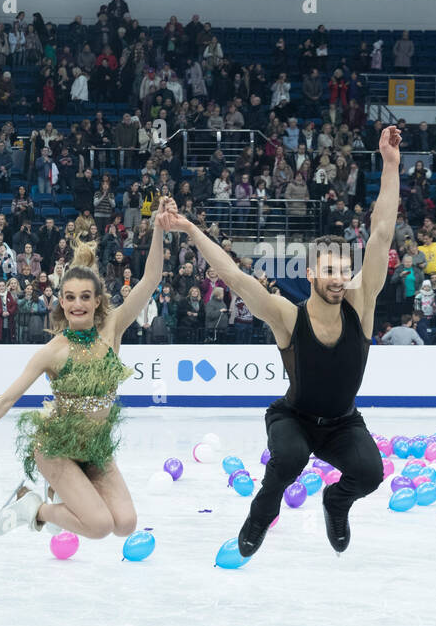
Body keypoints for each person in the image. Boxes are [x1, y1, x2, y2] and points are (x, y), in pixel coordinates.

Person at [163, 125, 401, 557]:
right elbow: (234, 276)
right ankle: (259, 517)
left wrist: (390, 164)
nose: (337, 279)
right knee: (288, 460)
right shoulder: (286, 315)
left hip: (344, 423)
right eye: (328, 271)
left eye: (343, 271)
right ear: (311, 274)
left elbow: (382, 231)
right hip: (293, 418)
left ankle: (336, 501)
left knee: (369, 474)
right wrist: (189, 229)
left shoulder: (361, 303)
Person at [0, 199, 170, 542]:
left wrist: (160, 229)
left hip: (96, 447)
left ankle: (55, 497)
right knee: (99, 525)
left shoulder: (113, 329)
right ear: (61, 302)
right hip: (57, 447)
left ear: (96, 301)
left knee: (125, 524)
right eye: (70, 297)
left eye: (85, 297)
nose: (78, 304)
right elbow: (7, 399)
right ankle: (34, 506)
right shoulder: (53, 351)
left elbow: (151, 279)